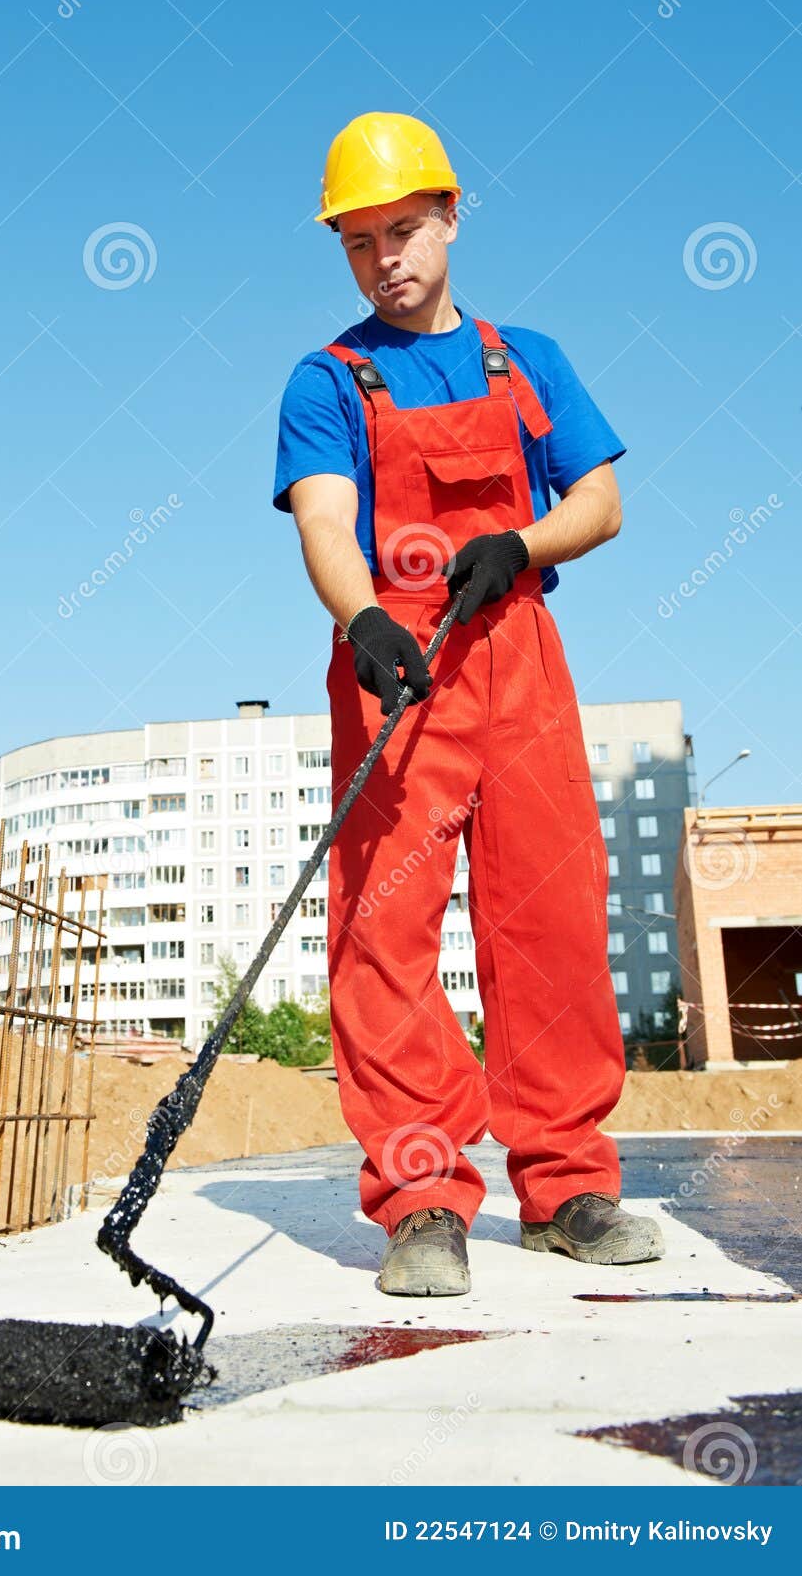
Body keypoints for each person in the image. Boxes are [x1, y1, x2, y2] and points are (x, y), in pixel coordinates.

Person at [273, 112, 664, 1296]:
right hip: (399, 670)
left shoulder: (523, 357)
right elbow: (326, 520)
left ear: (452, 216)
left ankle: (568, 1185)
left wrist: (521, 540)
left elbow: (600, 502)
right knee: (384, 932)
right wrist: (365, 619)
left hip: (520, 658)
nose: (384, 257)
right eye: (358, 241)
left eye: (403, 230)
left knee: (548, 917)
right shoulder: (328, 377)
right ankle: (422, 1199)